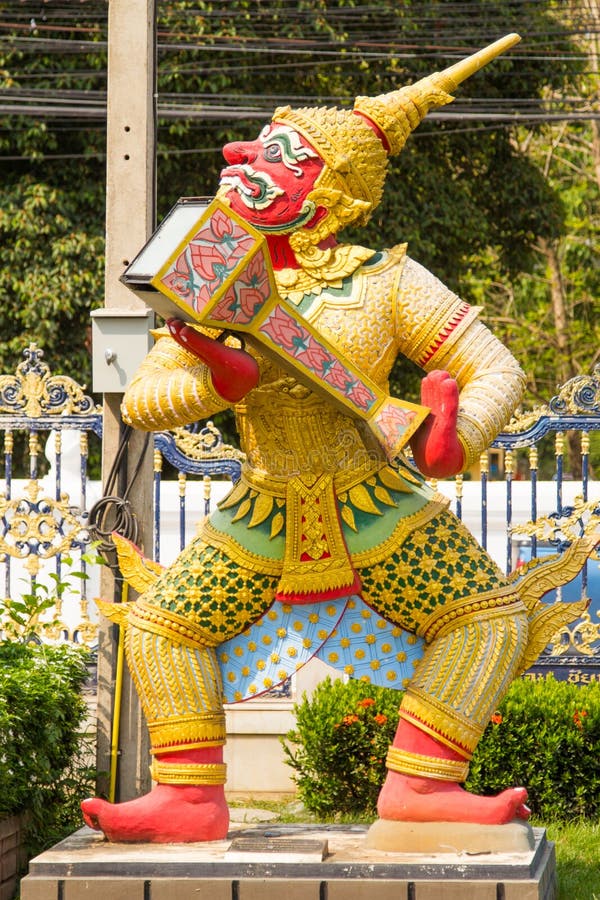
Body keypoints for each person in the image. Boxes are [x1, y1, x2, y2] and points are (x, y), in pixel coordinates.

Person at [82, 36, 543, 843]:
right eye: (257, 146)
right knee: (159, 625)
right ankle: (189, 797)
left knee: (491, 621)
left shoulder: (384, 282)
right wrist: (217, 383)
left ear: (329, 190)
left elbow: (497, 366)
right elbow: (147, 401)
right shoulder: (207, 272)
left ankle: (421, 786)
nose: (240, 158)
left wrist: (456, 437)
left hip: (379, 506)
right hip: (262, 512)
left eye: (277, 156)